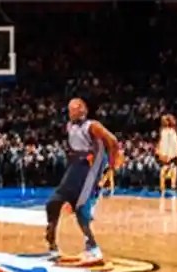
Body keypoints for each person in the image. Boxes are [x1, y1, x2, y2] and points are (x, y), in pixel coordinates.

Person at [45, 98, 120, 262]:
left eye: (78, 107)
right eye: (71, 108)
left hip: (91, 168)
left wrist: (111, 167)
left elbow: (113, 142)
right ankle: (51, 244)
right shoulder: (69, 126)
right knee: (53, 203)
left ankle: (93, 248)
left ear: (84, 110)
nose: (74, 110)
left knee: (80, 208)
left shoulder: (93, 126)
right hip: (76, 167)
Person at [157, 114, 177, 197]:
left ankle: (172, 187)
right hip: (166, 153)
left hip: (171, 153)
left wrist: (176, 153)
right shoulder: (164, 131)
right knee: (165, 170)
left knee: (172, 170)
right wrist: (162, 154)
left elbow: (174, 143)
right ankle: (163, 187)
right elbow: (163, 143)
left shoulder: (172, 132)